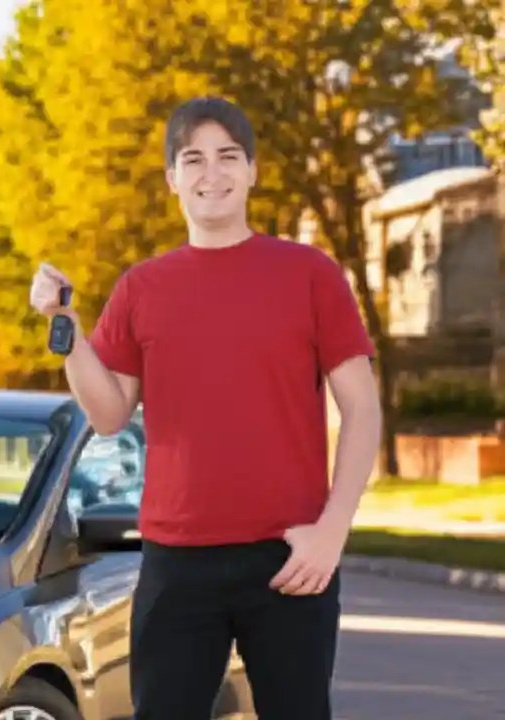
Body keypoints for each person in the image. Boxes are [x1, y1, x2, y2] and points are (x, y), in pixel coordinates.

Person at [29, 96, 381, 720]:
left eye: (227, 157)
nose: (210, 173)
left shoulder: (310, 274)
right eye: (193, 159)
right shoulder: (141, 287)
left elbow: (362, 409)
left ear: (252, 172)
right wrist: (65, 328)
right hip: (177, 562)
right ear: (172, 179)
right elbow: (109, 414)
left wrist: (331, 533)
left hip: (290, 557)